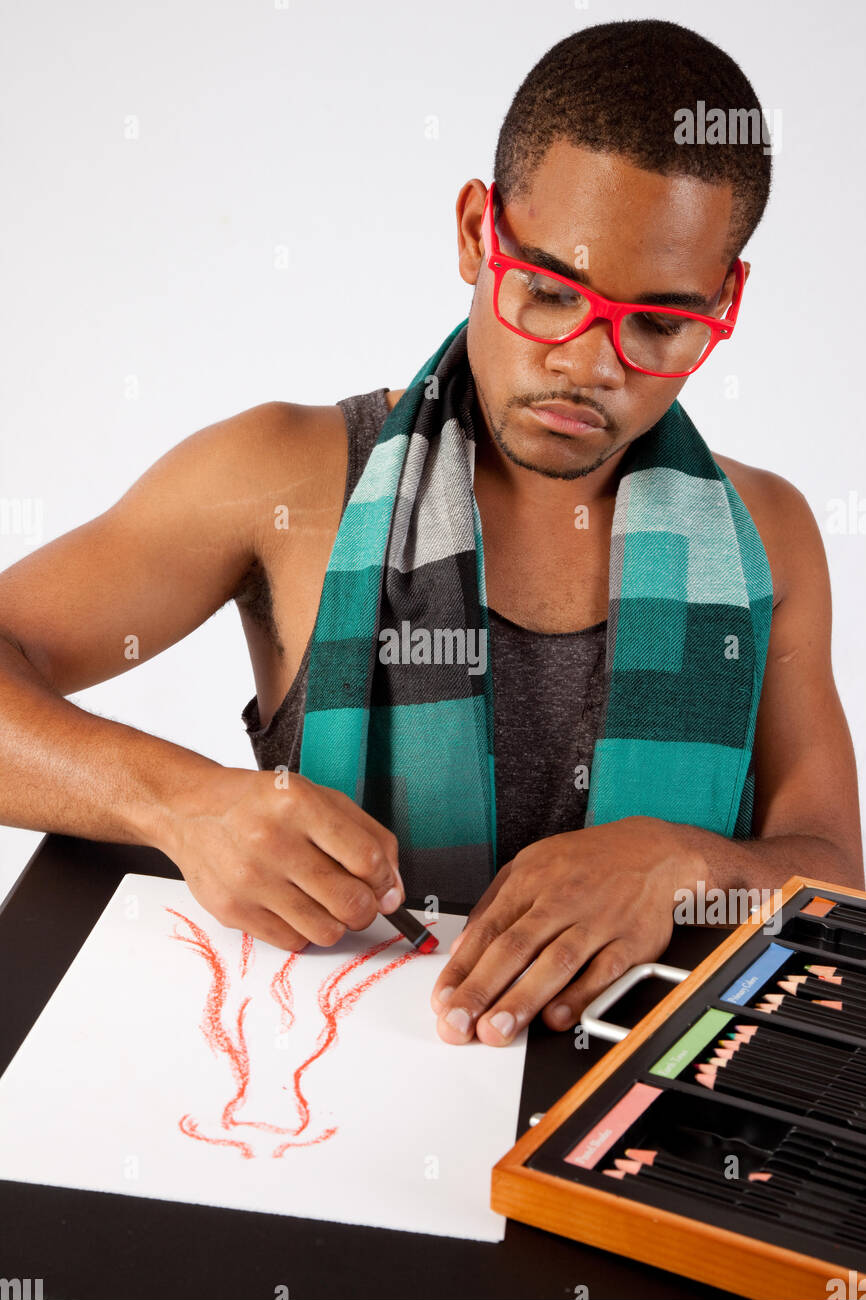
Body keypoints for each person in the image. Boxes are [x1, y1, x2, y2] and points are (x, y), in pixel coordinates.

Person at [0, 20, 861, 1051]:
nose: (587, 365)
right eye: (547, 291)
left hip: (631, 1141)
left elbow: (831, 869)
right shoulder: (280, 475)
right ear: (472, 231)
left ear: (724, 302)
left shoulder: (765, 532)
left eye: (656, 325)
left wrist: (674, 861)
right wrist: (185, 806)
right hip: (333, 1110)